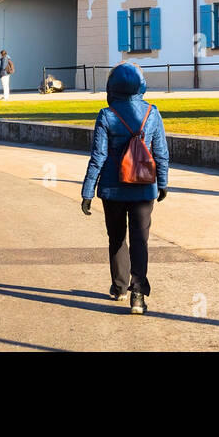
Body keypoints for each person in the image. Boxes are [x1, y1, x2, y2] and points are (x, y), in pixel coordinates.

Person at [80, 62, 169, 315]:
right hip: (143, 188)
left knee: (117, 237)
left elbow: (98, 156)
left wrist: (88, 191)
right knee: (140, 240)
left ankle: (119, 286)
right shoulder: (152, 112)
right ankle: (138, 295)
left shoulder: (106, 115)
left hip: (112, 188)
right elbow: (161, 153)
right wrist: (162, 182)